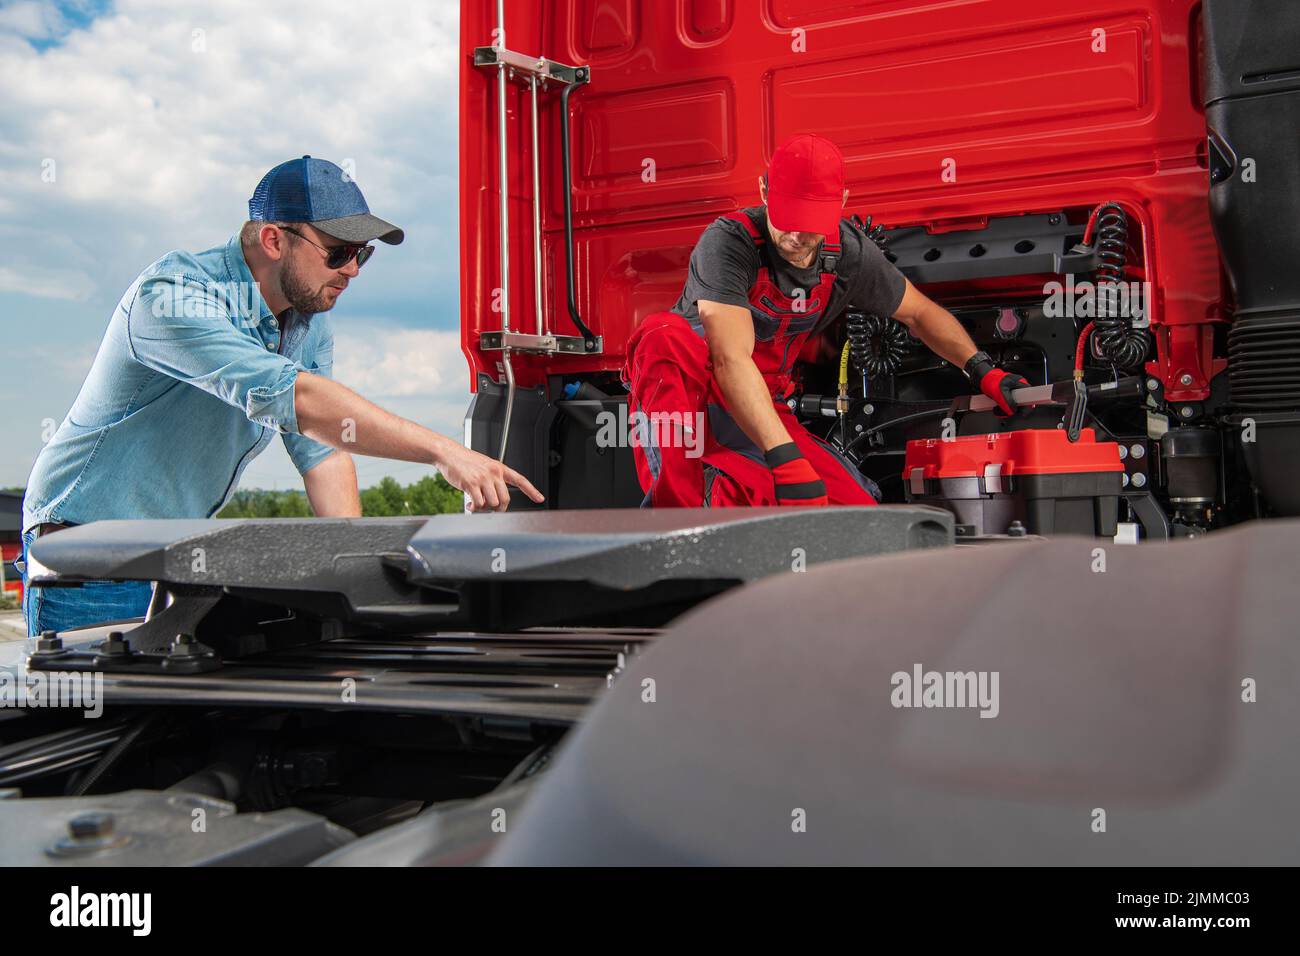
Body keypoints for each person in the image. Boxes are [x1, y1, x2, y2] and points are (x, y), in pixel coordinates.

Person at [21, 155, 542, 636]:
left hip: (169, 560)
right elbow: (298, 399)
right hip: (88, 559)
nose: (352, 270)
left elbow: (324, 451)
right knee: (111, 707)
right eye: (339, 252)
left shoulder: (307, 320)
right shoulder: (174, 297)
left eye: (362, 254)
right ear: (273, 240)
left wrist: (359, 580)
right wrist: (443, 451)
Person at [623, 134, 1027, 507]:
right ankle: (679, 521)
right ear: (763, 191)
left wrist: (982, 369)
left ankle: (730, 495)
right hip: (694, 404)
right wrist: (783, 459)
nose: (798, 236)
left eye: (811, 222)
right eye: (788, 217)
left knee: (854, 514)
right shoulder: (729, 243)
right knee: (663, 336)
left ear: (842, 201)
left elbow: (920, 313)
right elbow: (730, 360)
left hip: (762, 406)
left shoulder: (848, 253)